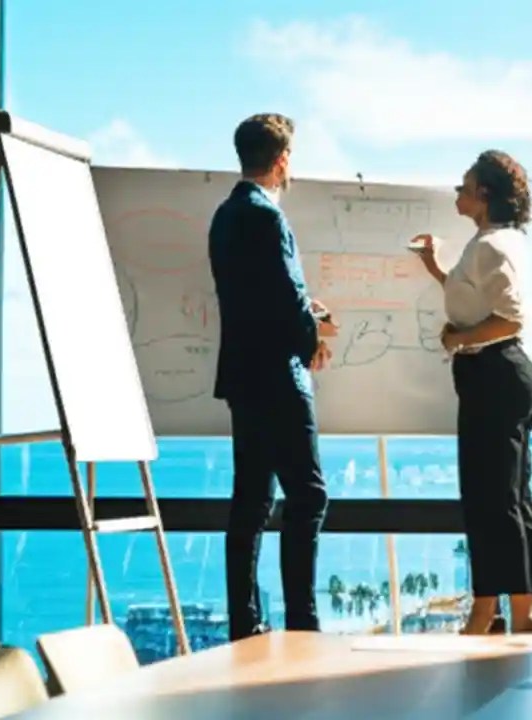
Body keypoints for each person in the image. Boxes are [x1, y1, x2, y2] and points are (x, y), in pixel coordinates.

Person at [208, 113, 337, 640]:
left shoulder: (224, 215)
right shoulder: (268, 217)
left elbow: (256, 297)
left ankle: (246, 621)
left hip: (242, 376)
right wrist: (313, 338)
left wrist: (303, 310)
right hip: (279, 377)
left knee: (251, 502)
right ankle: (303, 621)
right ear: (282, 159)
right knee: (307, 497)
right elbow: (284, 299)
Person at [413, 150, 532, 635]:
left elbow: (508, 318)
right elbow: (473, 296)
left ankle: (489, 615)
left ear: (484, 194)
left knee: (491, 499)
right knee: (509, 496)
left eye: (464, 185)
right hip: (502, 376)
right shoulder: (497, 242)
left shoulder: (491, 246)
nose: (457, 192)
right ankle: (521, 612)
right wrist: (436, 267)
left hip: (494, 374)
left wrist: (455, 340)